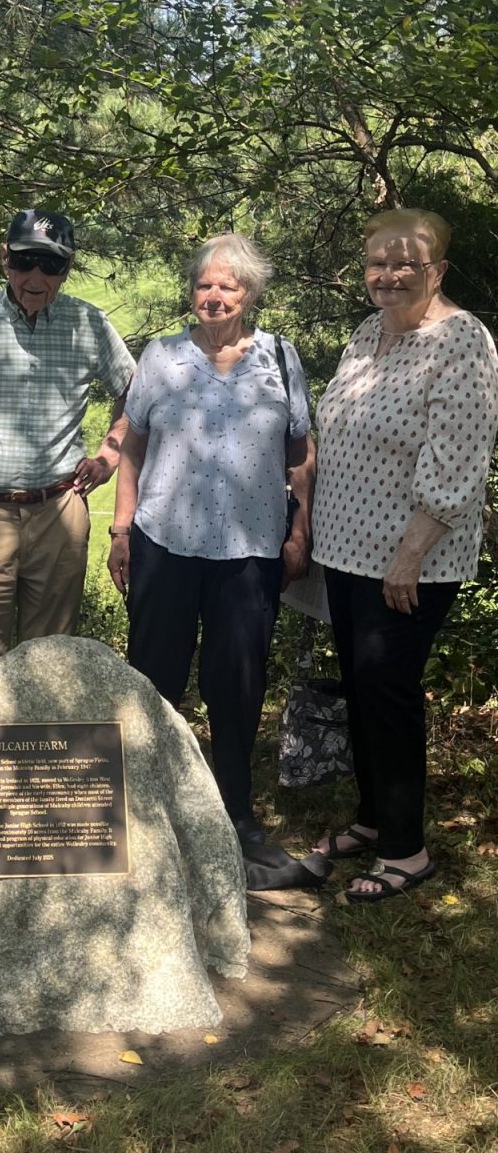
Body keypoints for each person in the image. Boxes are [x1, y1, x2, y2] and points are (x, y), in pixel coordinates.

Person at [311, 208, 498, 900]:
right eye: (377, 263)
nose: (387, 275)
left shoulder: (462, 342)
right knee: (362, 686)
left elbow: (457, 466)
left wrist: (409, 555)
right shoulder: (369, 332)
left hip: (408, 558)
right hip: (346, 549)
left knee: (388, 693)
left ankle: (406, 851)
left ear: (437, 271)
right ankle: (373, 818)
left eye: (405, 265)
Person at [107, 234, 314, 847]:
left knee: (237, 684)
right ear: (192, 291)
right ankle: (147, 808)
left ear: (250, 293)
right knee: (154, 679)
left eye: (229, 285)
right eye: (205, 284)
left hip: (250, 551)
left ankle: (235, 812)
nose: (215, 295)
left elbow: (300, 451)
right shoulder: (162, 356)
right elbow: (133, 448)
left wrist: (300, 527)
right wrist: (121, 529)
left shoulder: (280, 358)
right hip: (163, 544)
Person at [0, 208, 135, 663]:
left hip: (60, 513)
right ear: (5, 258)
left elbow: (136, 395)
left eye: (51, 264)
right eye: (25, 261)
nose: (36, 277)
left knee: (51, 662)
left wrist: (108, 456)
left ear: (67, 267)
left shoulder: (89, 323)